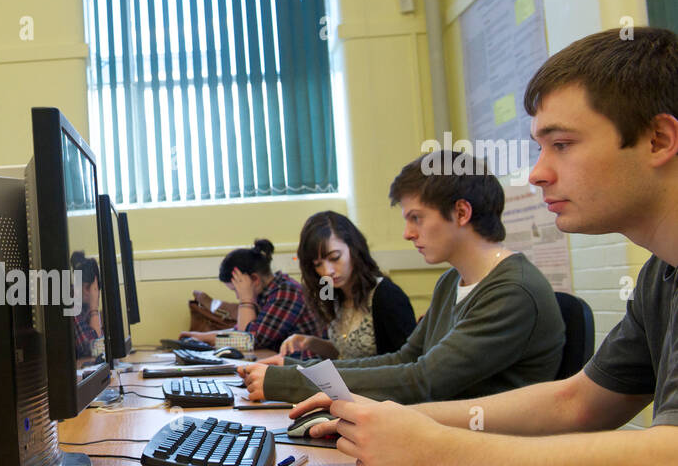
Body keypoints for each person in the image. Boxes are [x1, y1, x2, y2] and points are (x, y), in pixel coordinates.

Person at [293, 27, 678, 466]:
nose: (537, 173)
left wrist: (439, 450)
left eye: (561, 144)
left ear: (659, 140)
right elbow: (576, 402)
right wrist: (397, 420)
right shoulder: (660, 275)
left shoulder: (514, 286)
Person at [240, 150, 564, 404]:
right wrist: (299, 370)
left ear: (462, 213)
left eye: (416, 218)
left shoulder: (512, 290)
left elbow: (423, 380)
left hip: (486, 458)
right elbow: (406, 358)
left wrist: (290, 382)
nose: (408, 233)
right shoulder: (452, 281)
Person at [258, 211, 415, 364]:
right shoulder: (333, 294)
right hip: (346, 385)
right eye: (318, 265)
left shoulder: (386, 296)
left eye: (335, 258)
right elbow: (344, 353)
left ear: (354, 249)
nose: (328, 271)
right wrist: (311, 342)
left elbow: (405, 365)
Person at [180, 239, 322, 352]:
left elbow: (247, 341)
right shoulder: (266, 292)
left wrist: (246, 300)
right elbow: (239, 333)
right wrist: (199, 337)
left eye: (237, 290)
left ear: (254, 279)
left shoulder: (286, 293)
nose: (237, 296)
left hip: (306, 366)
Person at [72, 251, 104, 362]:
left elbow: (105, 343)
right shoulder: (71, 305)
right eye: (95, 289)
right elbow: (97, 351)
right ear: (87, 289)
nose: (97, 294)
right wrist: (94, 310)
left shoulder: (84, 305)